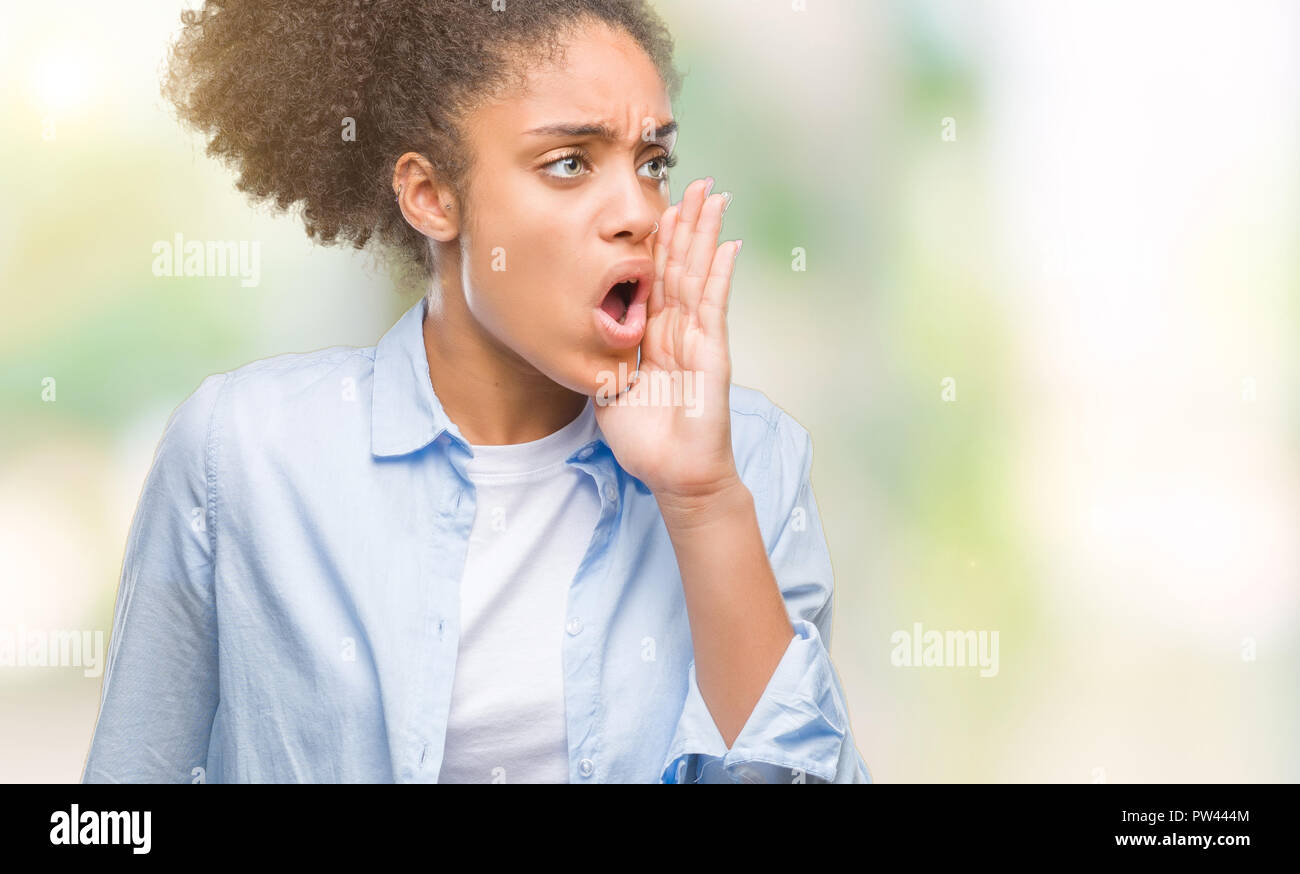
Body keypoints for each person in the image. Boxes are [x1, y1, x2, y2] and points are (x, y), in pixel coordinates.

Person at [82, 0, 872, 783]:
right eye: (569, 162)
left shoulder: (747, 462)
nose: (639, 212)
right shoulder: (243, 454)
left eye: (652, 162)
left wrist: (701, 502)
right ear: (431, 195)